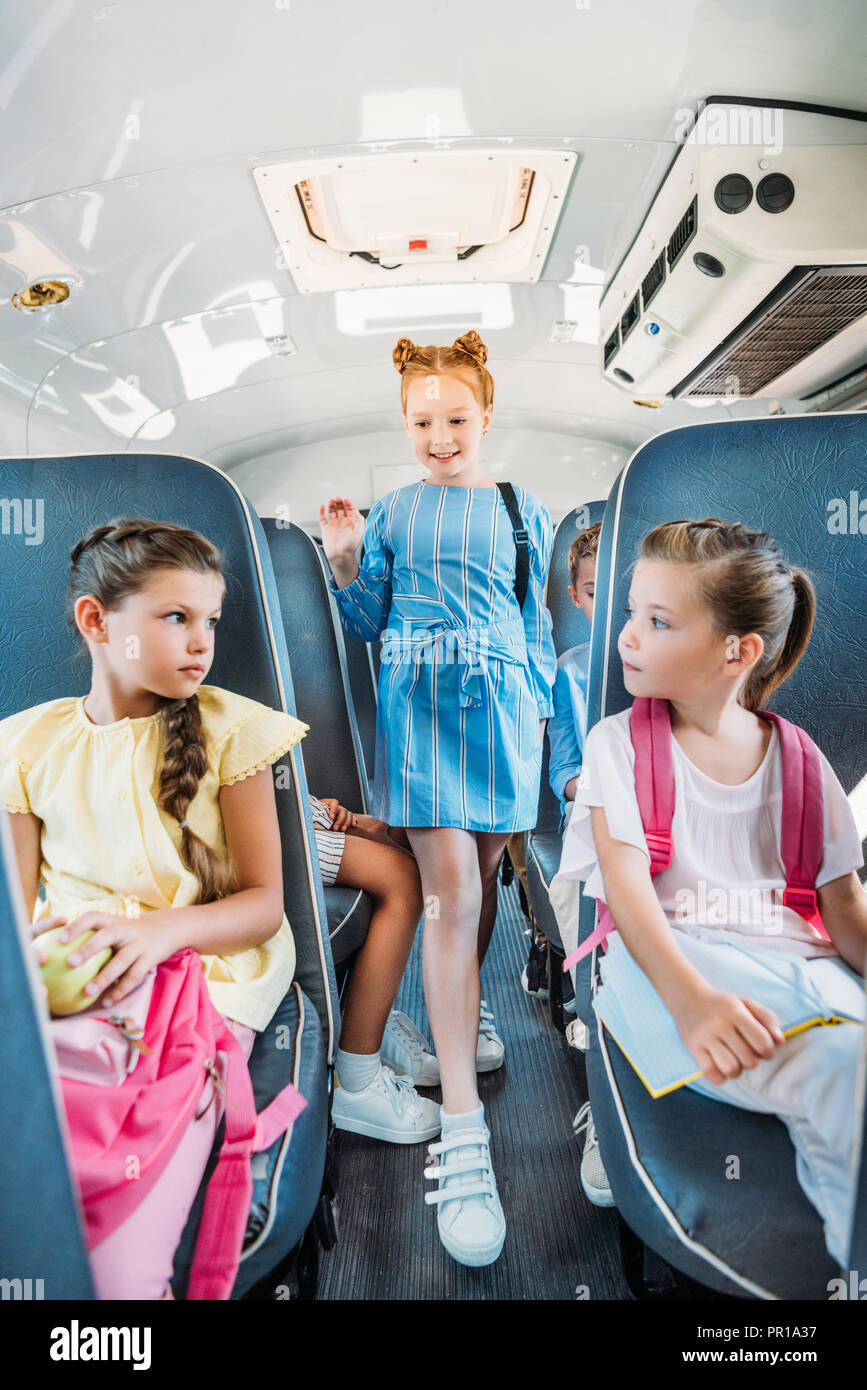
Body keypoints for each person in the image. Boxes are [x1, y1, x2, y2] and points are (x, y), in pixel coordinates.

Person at [0, 517, 316, 1298]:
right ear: (96, 621)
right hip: (71, 968)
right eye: (176, 618)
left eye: (210, 620)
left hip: (201, 973)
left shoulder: (231, 732)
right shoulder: (25, 745)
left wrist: (153, 933)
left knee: (129, 1186)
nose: (201, 640)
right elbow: (14, 915)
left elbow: (262, 907)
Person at [557, 517, 867, 1265]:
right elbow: (626, 895)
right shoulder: (616, 746)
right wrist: (692, 1003)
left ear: (738, 651)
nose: (626, 635)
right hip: (672, 964)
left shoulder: (796, 758)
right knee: (842, 1073)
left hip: (795, 963)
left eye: (657, 621)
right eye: (629, 612)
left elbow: (843, 912)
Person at [319, 330, 558, 1266]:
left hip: (502, 711)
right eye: (423, 421)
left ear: (485, 418)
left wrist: (544, 717)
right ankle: (466, 1136)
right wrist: (343, 560)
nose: (440, 435)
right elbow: (369, 625)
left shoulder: (521, 507)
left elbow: (534, 621)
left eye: (456, 418)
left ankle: (464, 1009)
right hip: (418, 705)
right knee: (452, 895)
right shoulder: (389, 514)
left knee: (483, 886)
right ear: (405, 425)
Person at [307, 791, 445, 1132]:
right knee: (406, 879)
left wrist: (317, 808)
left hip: (285, 804)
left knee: (394, 833)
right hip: (264, 821)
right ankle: (358, 1082)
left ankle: (370, 1026)